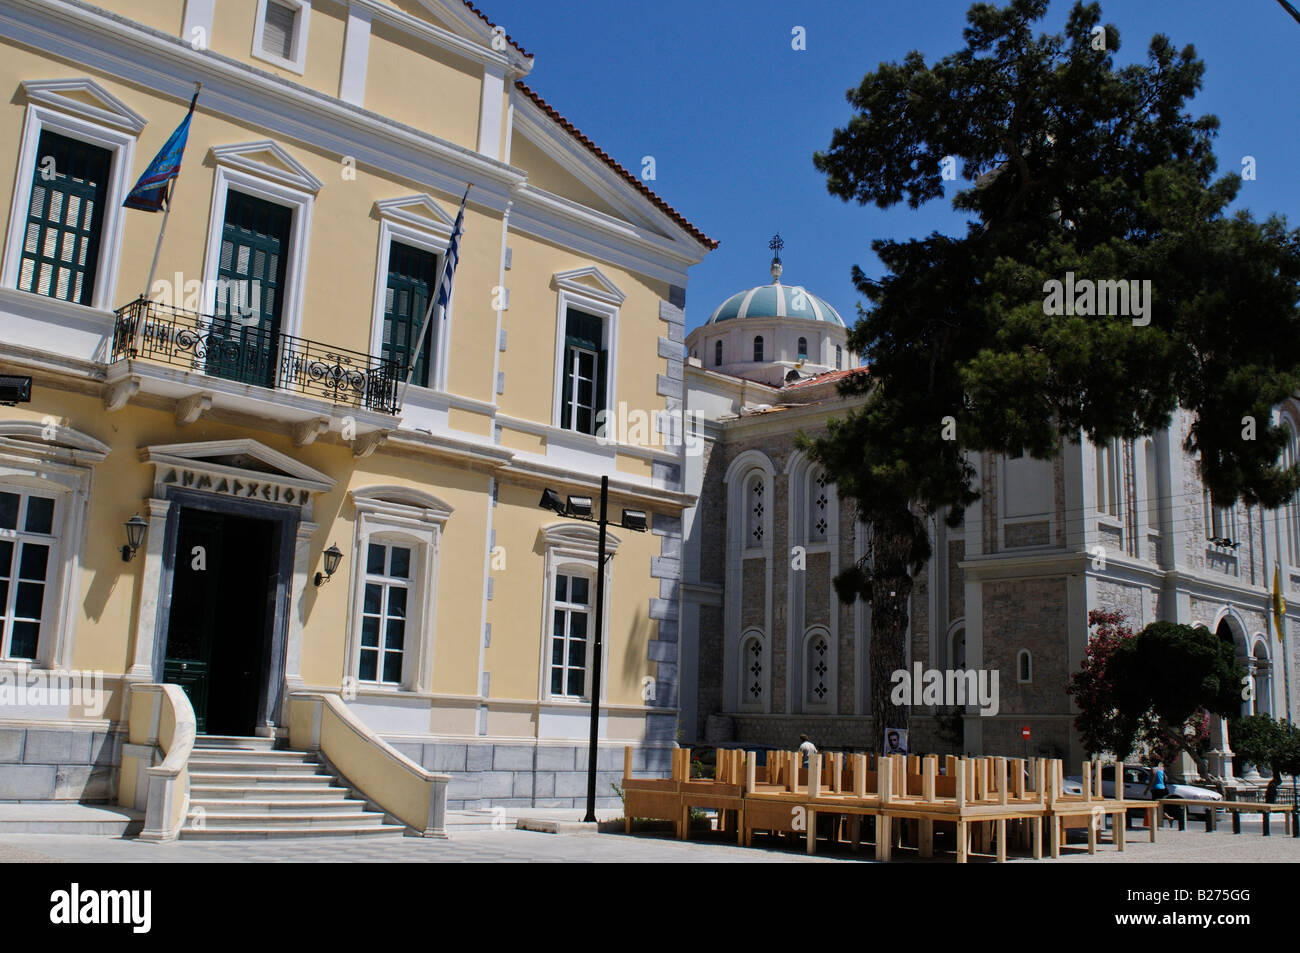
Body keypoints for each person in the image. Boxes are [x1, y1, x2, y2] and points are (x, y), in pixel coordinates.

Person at [1143, 761, 1169, 827]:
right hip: (1162, 788)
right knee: (1160, 805)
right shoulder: (1161, 769)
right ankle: (1168, 817)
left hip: (1156, 789)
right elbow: (1166, 778)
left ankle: (1157, 823)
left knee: (1155, 806)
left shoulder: (1153, 770)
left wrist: (1146, 790)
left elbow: (1151, 781)